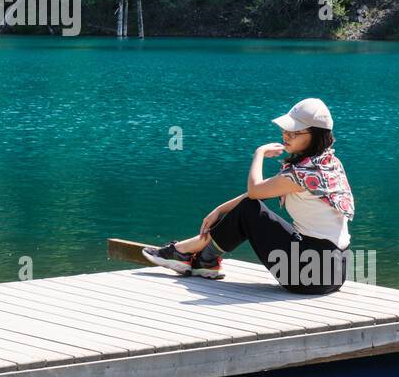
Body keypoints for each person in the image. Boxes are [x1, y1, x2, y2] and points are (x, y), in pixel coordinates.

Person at [142, 98, 355, 294]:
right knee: (250, 209)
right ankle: (203, 259)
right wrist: (220, 210)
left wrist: (259, 153)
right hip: (334, 272)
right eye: (285, 130)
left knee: (248, 210)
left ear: (316, 135)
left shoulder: (302, 173)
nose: (286, 136)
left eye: (294, 132)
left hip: (310, 274)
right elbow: (262, 192)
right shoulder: (326, 164)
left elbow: (254, 191)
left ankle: (187, 253)